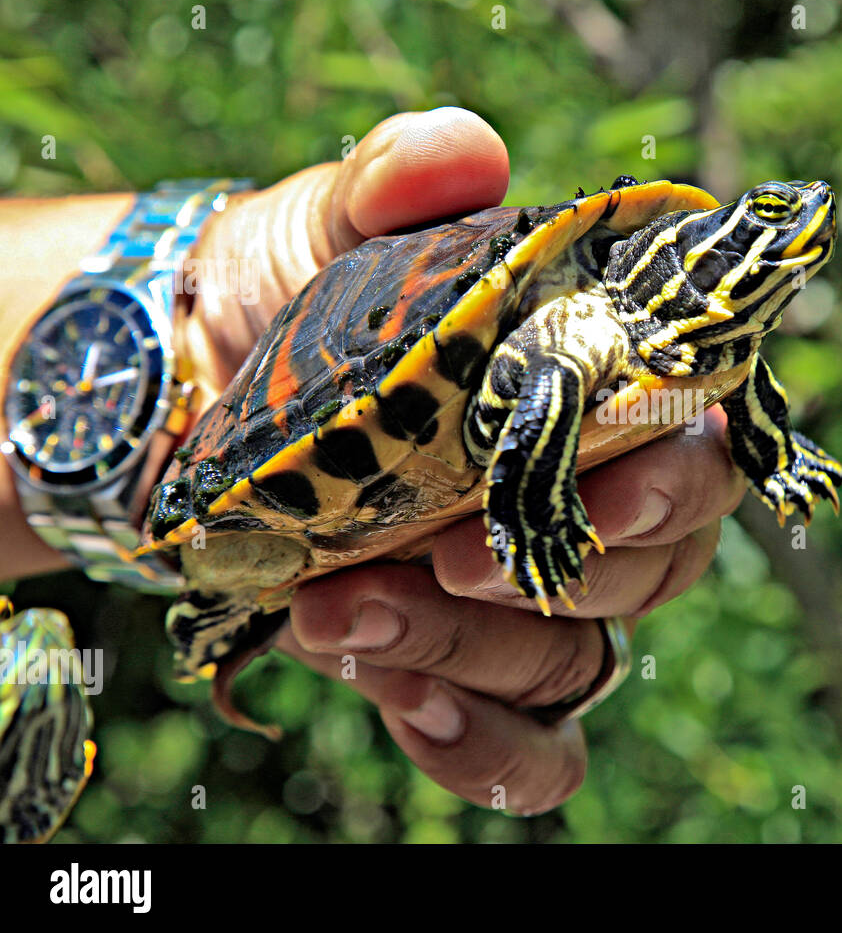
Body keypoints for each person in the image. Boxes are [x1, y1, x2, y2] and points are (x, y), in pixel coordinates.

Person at [0, 108, 745, 816]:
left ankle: (228, 592)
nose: (805, 219)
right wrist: (534, 512)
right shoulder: (578, 307)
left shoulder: (700, 354)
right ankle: (224, 589)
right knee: (241, 568)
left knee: (260, 576)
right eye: (768, 219)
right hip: (333, 414)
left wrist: (766, 452)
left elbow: (731, 380)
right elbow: (545, 371)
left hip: (364, 527)